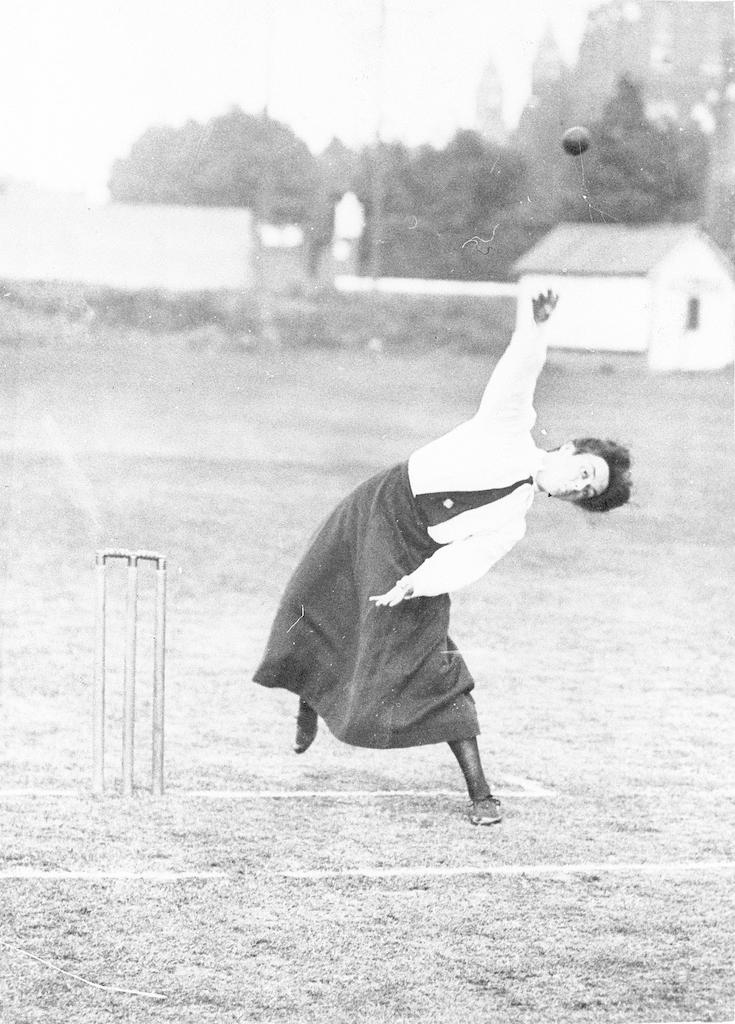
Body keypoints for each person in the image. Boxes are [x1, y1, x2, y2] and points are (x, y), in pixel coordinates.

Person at [253, 291, 631, 825]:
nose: (578, 488)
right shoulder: (506, 427)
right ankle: (308, 702)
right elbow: (518, 374)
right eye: (586, 473)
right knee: (320, 599)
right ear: (571, 449)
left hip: (417, 554)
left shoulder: (512, 522)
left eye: (587, 494)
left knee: (429, 658)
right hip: (379, 506)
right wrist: (536, 329)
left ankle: (481, 793)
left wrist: (414, 584)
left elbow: (463, 562)